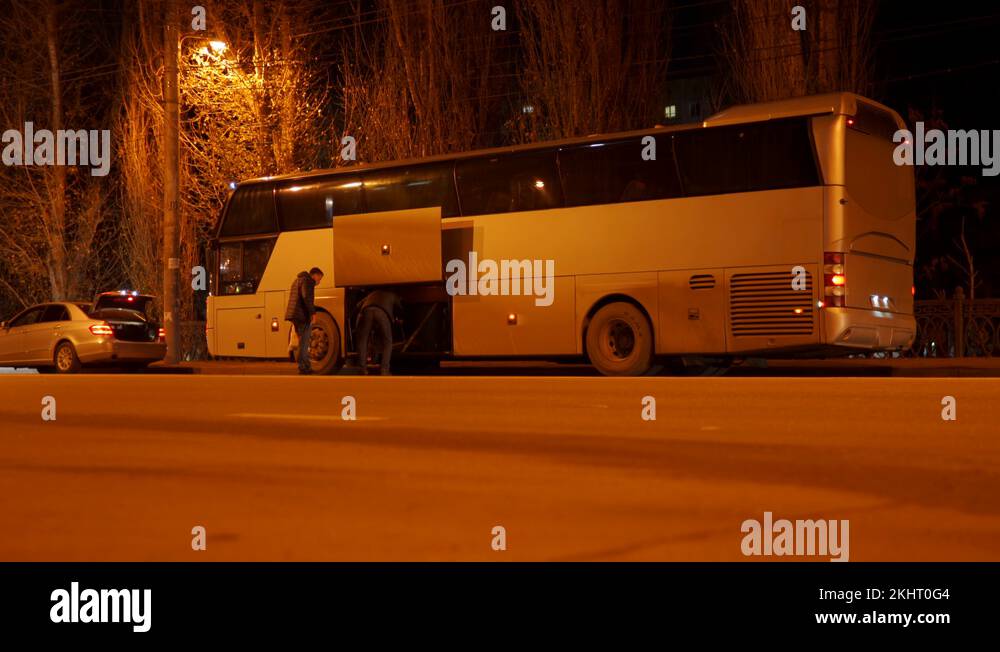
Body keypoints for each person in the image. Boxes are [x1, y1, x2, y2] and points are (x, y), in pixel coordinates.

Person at [285, 267, 324, 375]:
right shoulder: (308, 281)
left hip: (294, 314)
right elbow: (306, 297)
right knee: (305, 342)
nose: (319, 282)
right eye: (319, 279)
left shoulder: (297, 280)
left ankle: (303, 366)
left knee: (302, 341)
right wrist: (313, 313)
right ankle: (305, 367)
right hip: (301, 315)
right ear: (314, 275)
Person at [356, 288, 402, 375]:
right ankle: (384, 370)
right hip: (383, 313)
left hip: (366, 310)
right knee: (387, 342)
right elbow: (400, 306)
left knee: (363, 340)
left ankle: (362, 369)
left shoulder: (373, 293)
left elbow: (358, 305)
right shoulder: (393, 294)